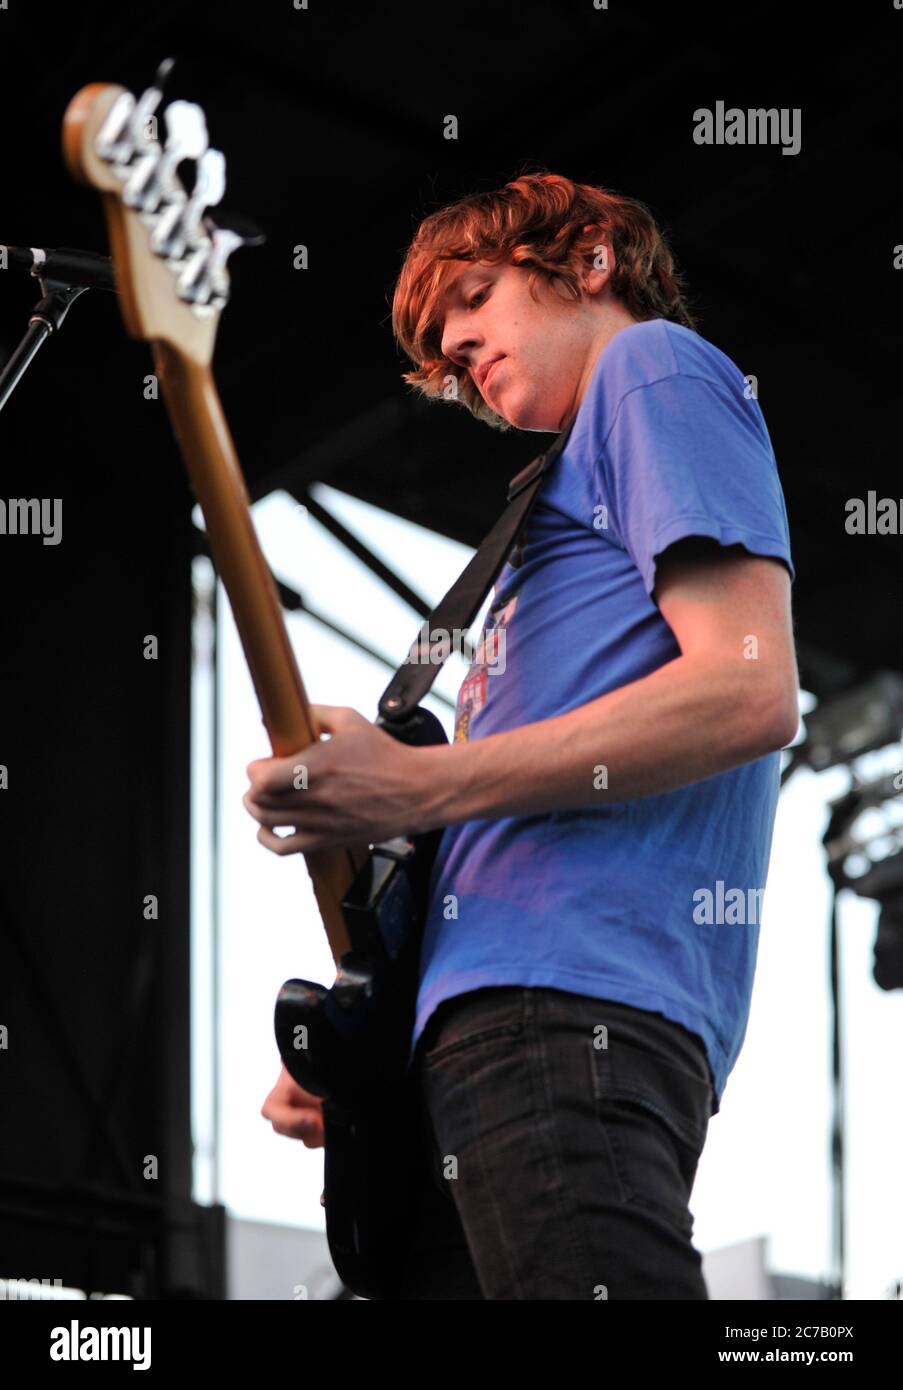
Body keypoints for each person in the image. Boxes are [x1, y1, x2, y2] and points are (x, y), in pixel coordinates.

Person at [248, 172, 799, 1299]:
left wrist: (416, 787)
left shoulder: (654, 367)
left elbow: (749, 691)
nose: (455, 347)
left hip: (567, 1006)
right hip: (493, 1025)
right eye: (439, 350)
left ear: (590, 259)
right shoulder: (556, 494)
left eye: (477, 296)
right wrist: (376, 1046)